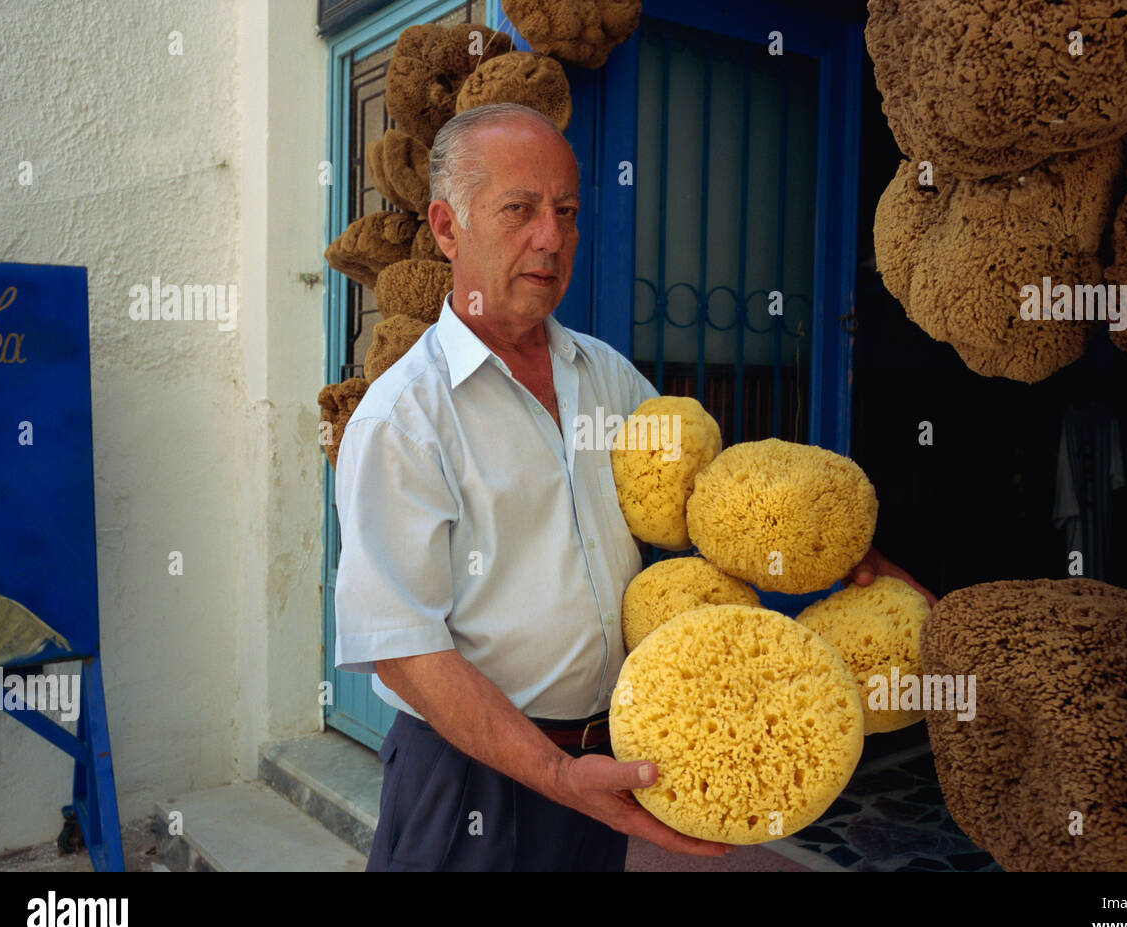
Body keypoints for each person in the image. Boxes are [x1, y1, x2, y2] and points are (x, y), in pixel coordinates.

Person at [334, 103, 933, 872]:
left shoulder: (604, 374)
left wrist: (854, 559)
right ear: (448, 228)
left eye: (567, 212)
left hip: (604, 762)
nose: (551, 237)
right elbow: (403, 649)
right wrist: (553, 774)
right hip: (467, 775)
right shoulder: (403, 417)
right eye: (519, 210)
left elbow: (713, 502)